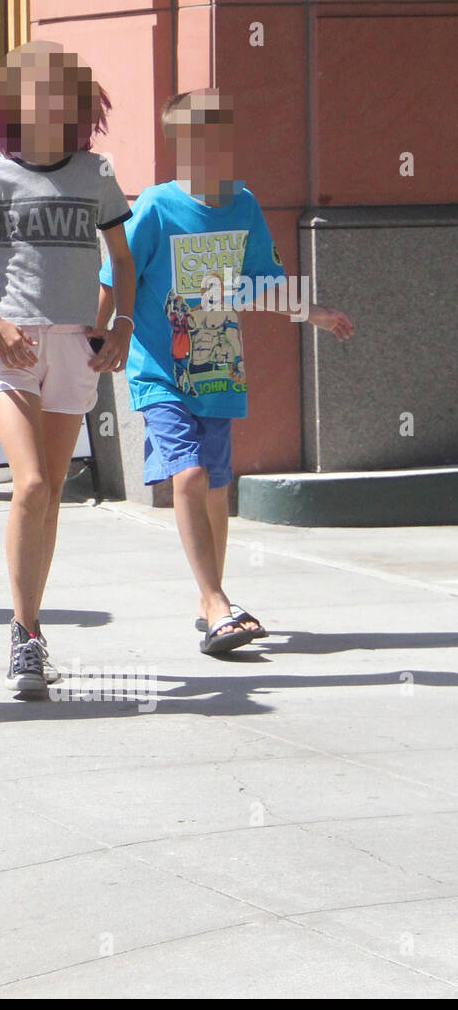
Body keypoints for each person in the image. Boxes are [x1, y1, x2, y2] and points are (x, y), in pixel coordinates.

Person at [96, 89, 354, 654]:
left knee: (216, 486)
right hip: (159, 369)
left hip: (219, 370)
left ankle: (209, 597)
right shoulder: (156, 207)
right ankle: (216, 602)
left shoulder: (245, 205)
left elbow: (262, 279)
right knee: (186, 476)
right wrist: (100, 336)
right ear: (181, 147)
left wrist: (313, 312)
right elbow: (116, 273)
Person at [0, 42, 137, 695]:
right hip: (9, 350)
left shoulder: (95, 172)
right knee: (28, 487)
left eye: (60, 94)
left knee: (49, 493)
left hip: (75, 350)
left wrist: (118, 328)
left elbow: (122, 262)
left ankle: (32, 624)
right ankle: (24, 634)